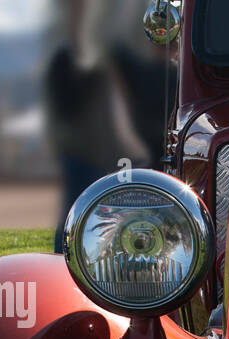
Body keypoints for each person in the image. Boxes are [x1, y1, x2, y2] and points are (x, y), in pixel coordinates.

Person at [44, 0, 150, 253]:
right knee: (77, 219)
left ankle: (75, 262)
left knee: (93, 220)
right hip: (85, 155)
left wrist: (131, 145)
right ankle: (65, 264)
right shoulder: (78, 58)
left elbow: (116, 112)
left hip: (99, 154)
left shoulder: (104, 62)